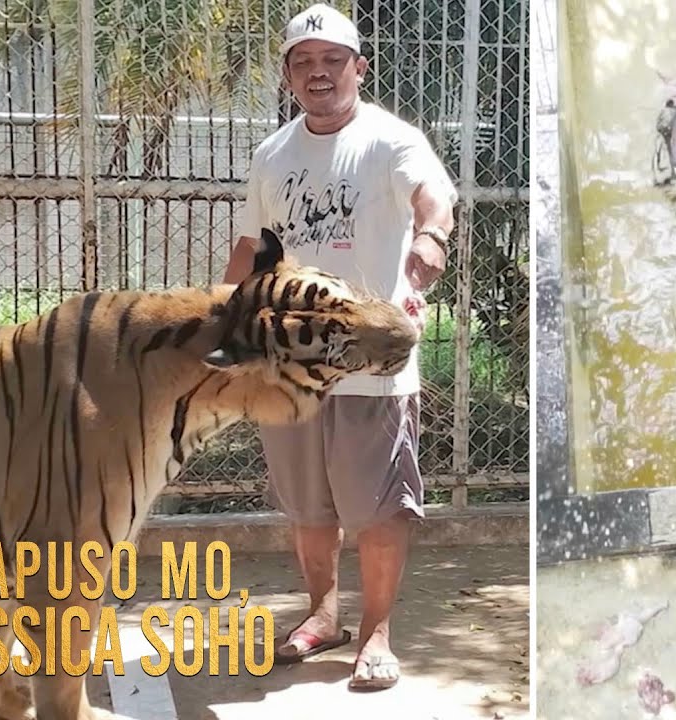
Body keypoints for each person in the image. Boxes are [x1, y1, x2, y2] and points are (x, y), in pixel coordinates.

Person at [221, 2, 458, 691]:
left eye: (332, 60)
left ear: (358, 67)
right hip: (289, 363)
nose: (318, 73)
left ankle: (377, 631)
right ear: (288, 75)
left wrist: (431, 237)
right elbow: (253, 247)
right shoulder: (273, 154)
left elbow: (433, 196)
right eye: (303, 62)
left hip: (369, 363)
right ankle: (322, 614)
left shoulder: (391, 140)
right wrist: (219, 323)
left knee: (378, 508)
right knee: (308, 507)